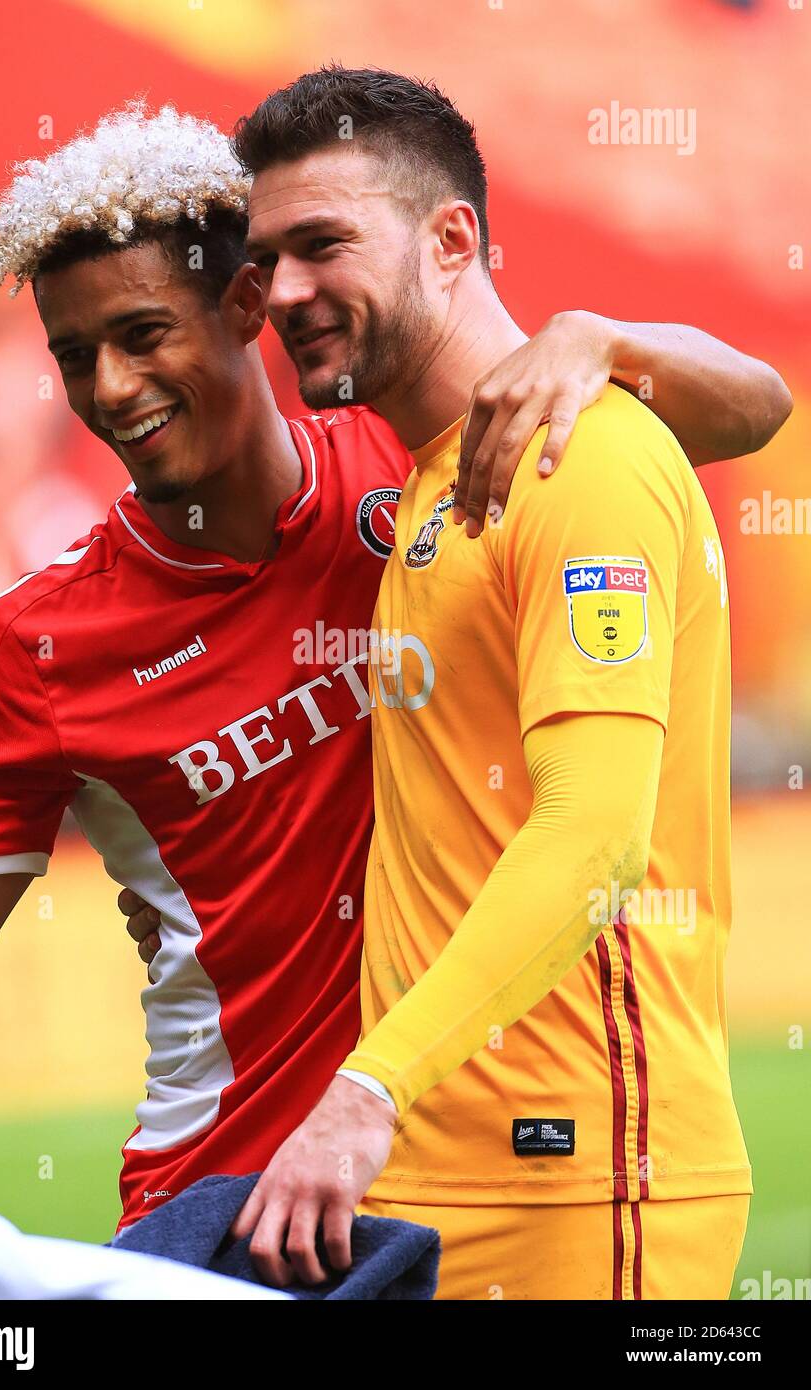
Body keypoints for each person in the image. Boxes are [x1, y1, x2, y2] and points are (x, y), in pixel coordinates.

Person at [0, 100, 788, 1252]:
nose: (109, 388)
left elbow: (751, 410)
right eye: (75, 357)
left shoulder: (417, 468)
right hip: (225, 1190)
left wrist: (597, 337)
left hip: (438, 1164)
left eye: (145, 334)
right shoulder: (43, 644)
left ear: (244, 308)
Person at [215, 66, 792, 1300]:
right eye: (271, 260)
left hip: (586, 1177)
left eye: (323, 244)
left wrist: (364, 1090)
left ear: (451, 239)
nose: (289, 293)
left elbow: (593, 836)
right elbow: (758, 402)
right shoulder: (429, 472)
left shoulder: (579, 458)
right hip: (427, 1171)